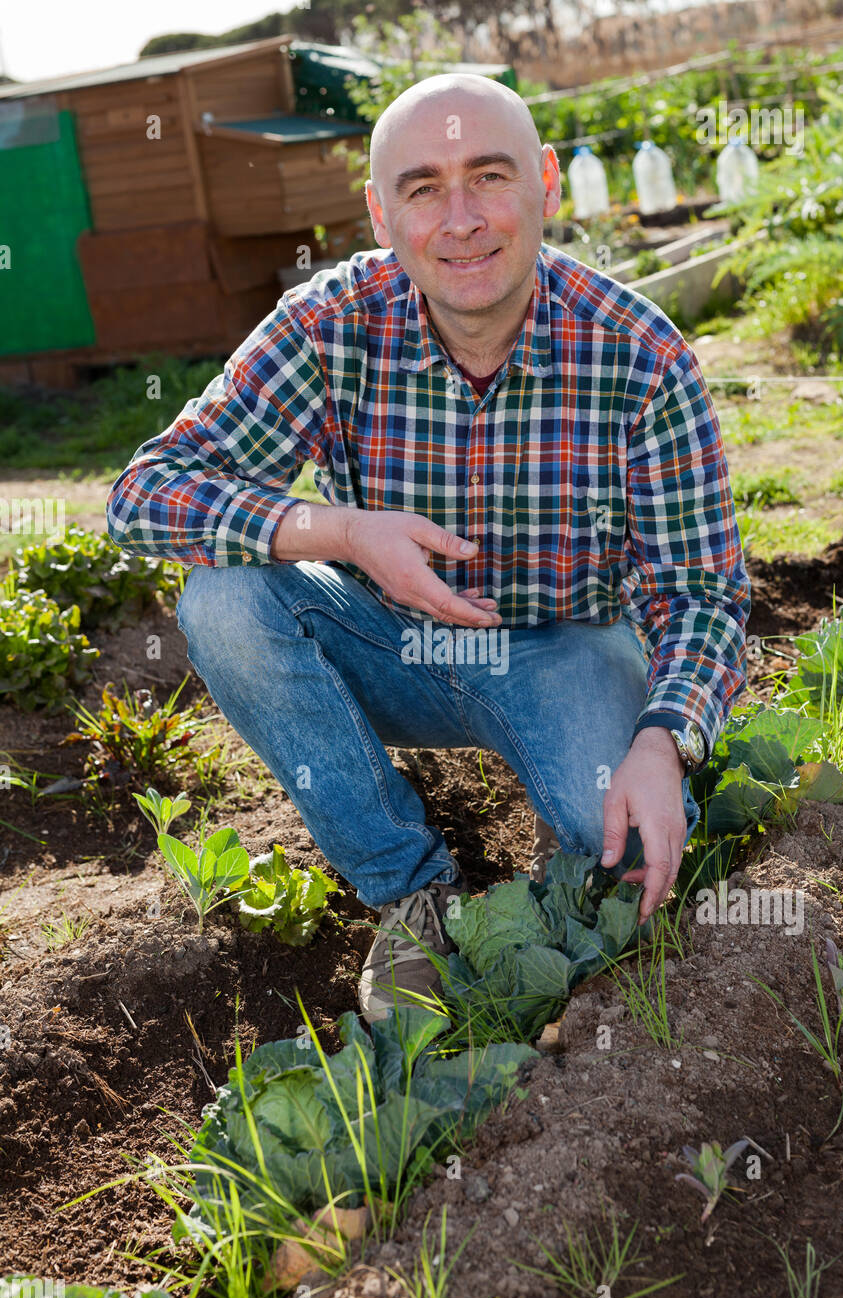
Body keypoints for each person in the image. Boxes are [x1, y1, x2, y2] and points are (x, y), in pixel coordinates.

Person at [107, 73, 750, 1023]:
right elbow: (140, 494)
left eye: (489, 177)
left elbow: (700, 594)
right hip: (392, 644)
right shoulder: (332, 327)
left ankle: (568, 804)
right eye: (422, 188)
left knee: (621, 843)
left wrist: (664, 740)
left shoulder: (638, 355)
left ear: (546, 183)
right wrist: (339, 532)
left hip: (564, 646)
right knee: (224, 600)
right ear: (379, 213)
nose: (461, 220)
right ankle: (412, 893)